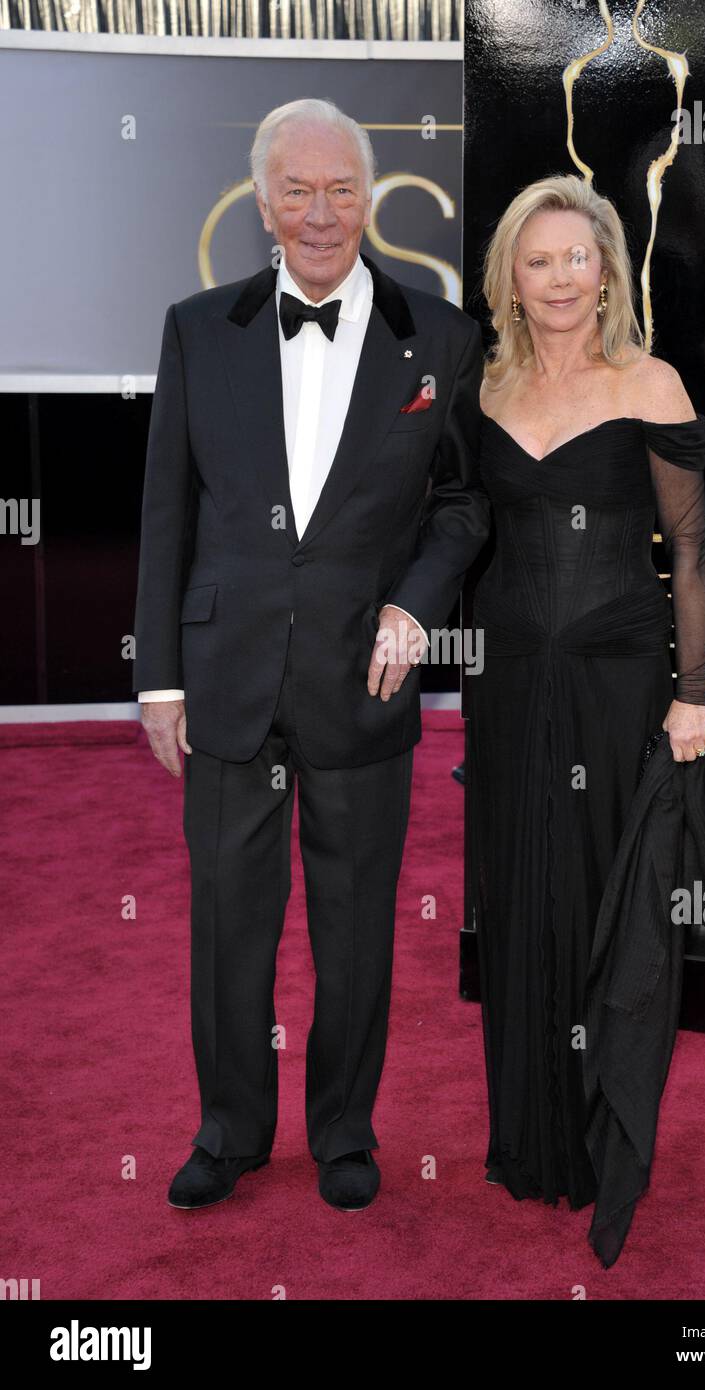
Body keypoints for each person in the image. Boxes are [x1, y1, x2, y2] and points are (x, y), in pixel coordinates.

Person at [133, 98, 490, 1212]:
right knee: (228, 924)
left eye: (341, 188)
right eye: (297, 189)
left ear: (371, 195)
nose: (320, 212)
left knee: (356, 924)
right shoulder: (200, 327)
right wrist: (159, 675)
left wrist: (417, 606)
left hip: (363, 680)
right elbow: (166, 514)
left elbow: (466, 505)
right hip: (227, 678)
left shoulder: (438, 335)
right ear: (262, 203)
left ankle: (345, 1128)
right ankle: (231, 1129)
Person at [466, 173, 705, 1250]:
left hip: (620, 685)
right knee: (521, 893)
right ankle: (532, 1138)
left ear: (607, 269)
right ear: (509, 279)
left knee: (615, 915)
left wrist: (695, 692)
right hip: (513, 684)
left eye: (580, 257)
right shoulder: (482, 391)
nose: (563, 278)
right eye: (540, 260)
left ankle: (608, 1132)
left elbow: (692, 552)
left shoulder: (650, 382)